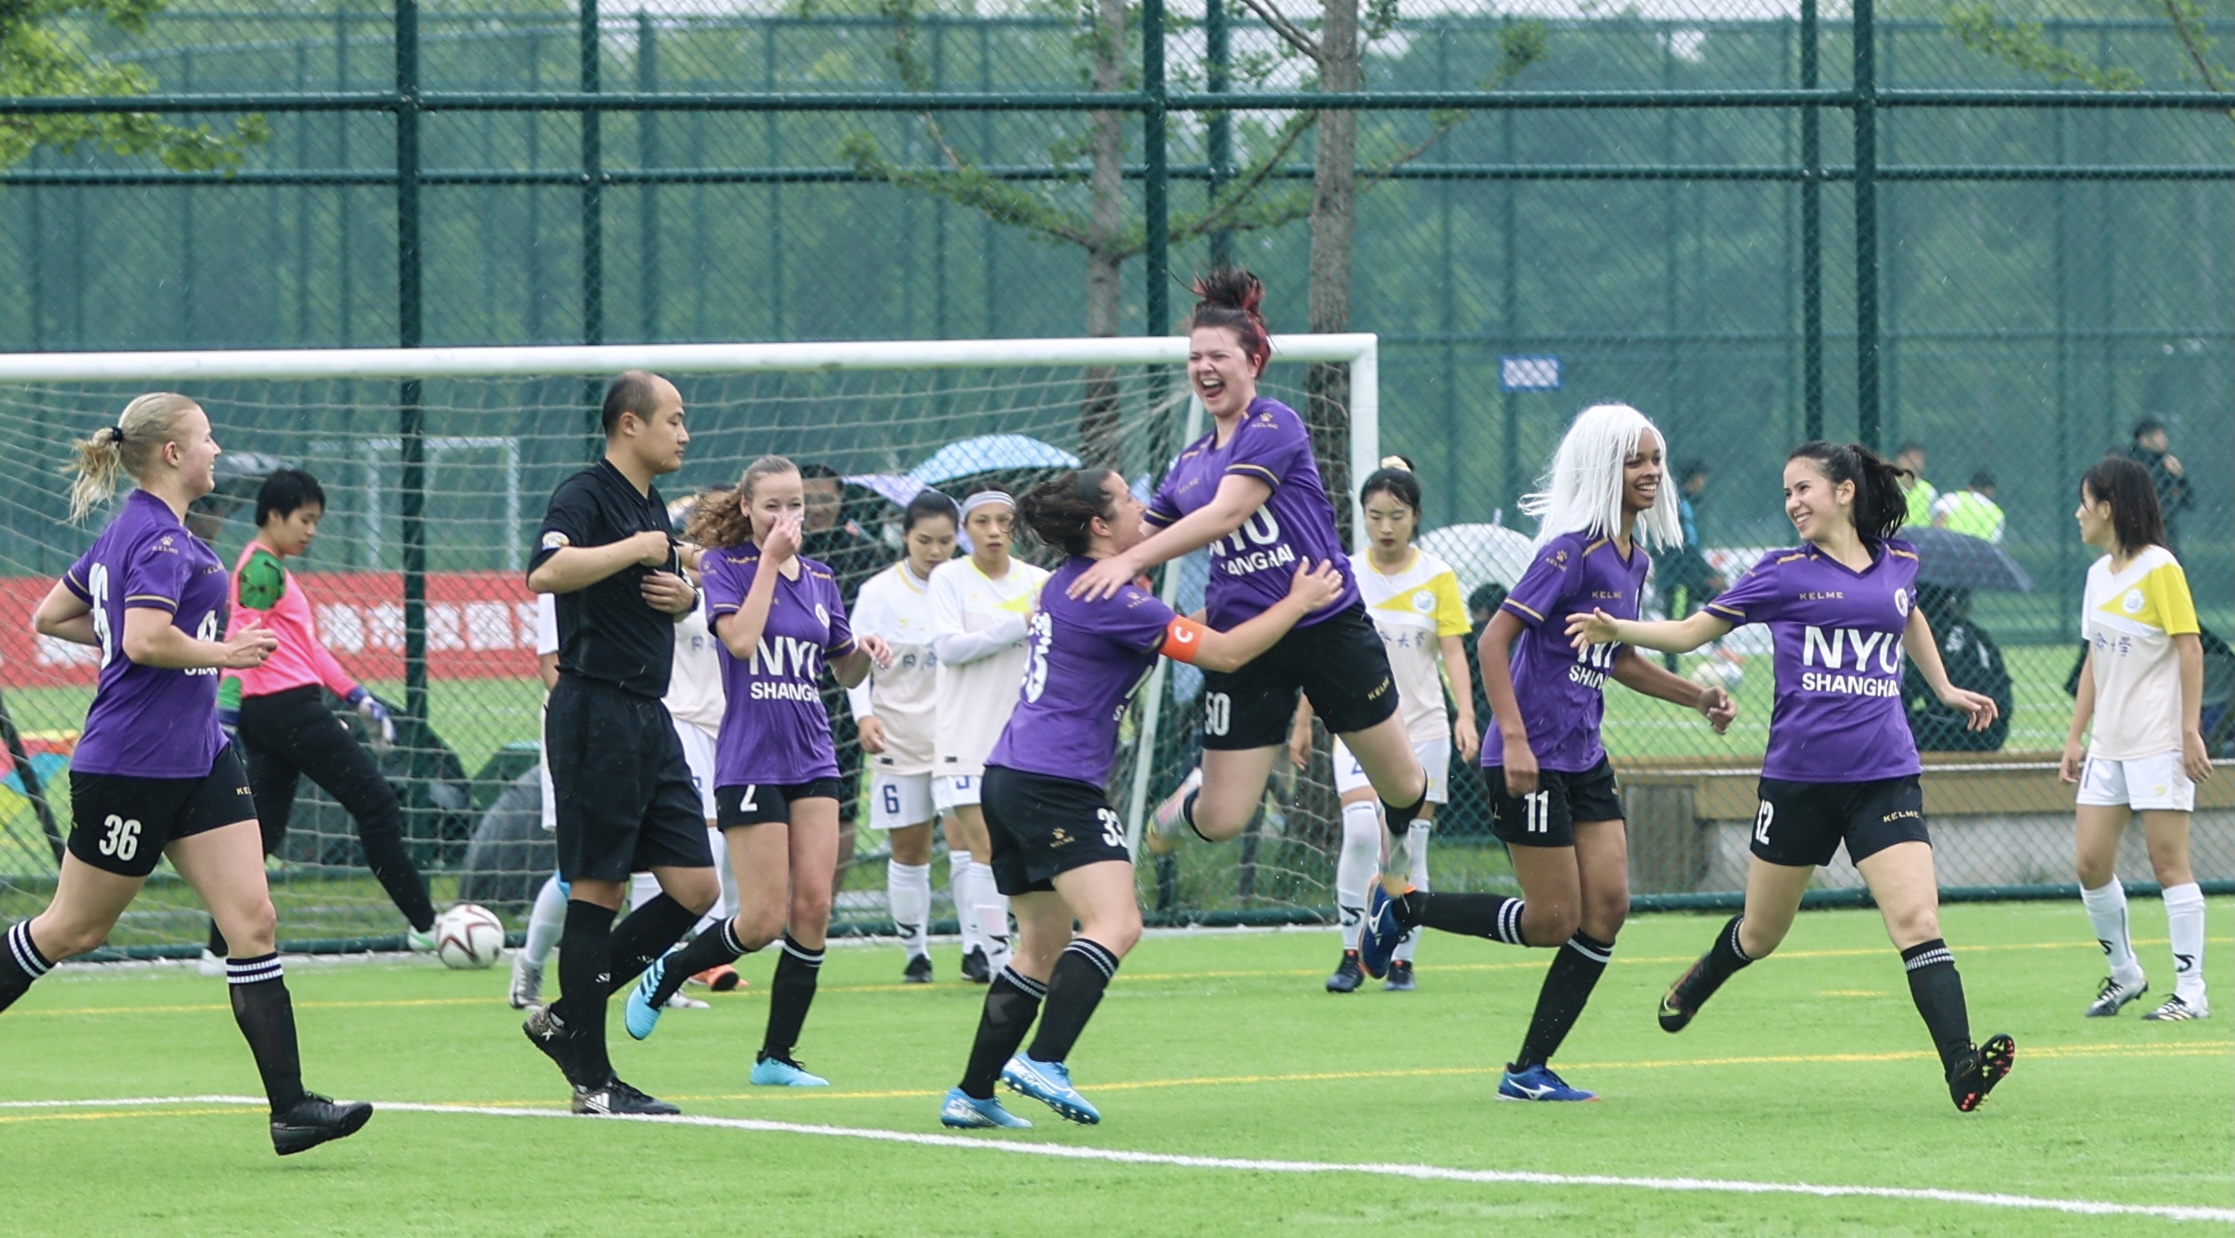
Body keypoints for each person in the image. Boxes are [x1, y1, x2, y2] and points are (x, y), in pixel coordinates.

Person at [1562, 440, 2017, 1112]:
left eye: (1802, 488)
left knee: (1917, 919)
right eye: (1785, 493)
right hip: (1798, 784)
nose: (1792, 503)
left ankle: (1960, 1069)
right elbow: (1691, 632)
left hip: (1883, 778)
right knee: (1760, 933)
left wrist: (1944, 687)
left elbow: (1906, 611)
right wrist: (1615, 626)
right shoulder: (1782, 574)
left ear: (1843, 492)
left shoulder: (1899, 564)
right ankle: (1700, 978)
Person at [4, 393, 371, 1154]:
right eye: (206, 438)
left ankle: (292, 1109)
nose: (216, 448)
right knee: (74, 929)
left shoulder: (140, 533)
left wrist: (164, 647)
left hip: (200, 757)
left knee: (253, 920)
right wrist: (221, 654)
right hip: (130, 768)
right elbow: (140, 639)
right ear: (172, 453)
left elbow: (58, 618)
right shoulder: (158, 540)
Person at [940, 469, 1344, 1130]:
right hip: (1055, 784)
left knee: (1039, 944)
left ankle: (972, 1091)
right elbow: (1222, 654)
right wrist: (1297, 602)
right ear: (1100, 525)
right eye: (1127, 499)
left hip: (1009, 778)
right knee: (1117, 923)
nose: (1140, 507)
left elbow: (1174, 629)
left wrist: (1249, 599)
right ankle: (1044, 1060)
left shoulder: (1075, 583)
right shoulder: (1114, 598)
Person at [1359, 405, 1736, 1102]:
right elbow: (1493, 641)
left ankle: (1526, 1070)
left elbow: (1616, 657)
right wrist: (1517, 737)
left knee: (1609, 909)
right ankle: (1406, 909)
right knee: (1550, 922)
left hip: (1582, 757)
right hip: (1526, 758)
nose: (1650, 472)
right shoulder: (1568, 550)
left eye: (1655, 458)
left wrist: (1696, 696)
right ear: (1602, 469)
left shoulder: (1634, 558)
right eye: (1635, 461)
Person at [1069, 268, 1429, 898]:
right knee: (1223, 819)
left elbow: (1228, 513)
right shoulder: (1187, 464)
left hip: (1325, 624)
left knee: (1402, 785)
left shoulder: (1275, 423)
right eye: (1194, 357)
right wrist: (1083, 567)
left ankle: (1397, 853)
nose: (1203, 368)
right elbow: (1136, 538)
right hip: (1247, 641)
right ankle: (1184, 804)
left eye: (1218, 356)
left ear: (1254, 360)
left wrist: (1130, 564)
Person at [623, 456, 892, 1088]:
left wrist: (867, 655)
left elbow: (842, 669)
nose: (787, 517)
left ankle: (776, 1056)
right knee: (763, 919)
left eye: (795, 505)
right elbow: (740, 642)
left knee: (815, 905)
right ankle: (667, 971)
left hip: (813, 753)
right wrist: (770, 560)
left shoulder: (823, 576)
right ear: (746, 508)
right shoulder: (727, 566)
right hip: (751, 756)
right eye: (772, 505)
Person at [520, 371, 720, 1118]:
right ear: (629, 425)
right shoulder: (586, 493)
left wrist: (685, 593)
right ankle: (593, 1082)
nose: (684, 433)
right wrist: (637, 546)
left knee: (697, 890)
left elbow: (663, 584)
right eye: (674, 419)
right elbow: (546, 571)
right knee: (598, 890)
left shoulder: (649, 507)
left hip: (647, 716)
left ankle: (568, 1019)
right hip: (593, 710)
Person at [509, 503, 740, 1010]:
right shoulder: (567, 575)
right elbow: (554, 667)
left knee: (673, 868)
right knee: (584, 875)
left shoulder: (702, 577)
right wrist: (590, 724)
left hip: (650, 732)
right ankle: (530, 967)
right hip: (585, 733)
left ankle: (652, 979)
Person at [203, 468, 435, 971]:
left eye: (316, 521)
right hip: (288, 711)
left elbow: (308, 652)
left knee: (262, 832)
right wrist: (224, 718)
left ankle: (216, 950)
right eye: (304, 520)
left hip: (276, 712)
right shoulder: (260, 569)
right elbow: (239, 641)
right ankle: (428, 928)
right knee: (376, 805)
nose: (311, 531)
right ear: (274, 515)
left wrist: (359, 698)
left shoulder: (271, 568)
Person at [1289, 456, 1477, 994]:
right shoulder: (1343, 572)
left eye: (1396, 515)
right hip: (1358, 727)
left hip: (1423, 730)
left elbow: (1453, 654)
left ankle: (1400, 958)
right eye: (1375, 516)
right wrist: (1303, 722)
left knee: (1408, 847)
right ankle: (1351, 952)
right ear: (1362, 517)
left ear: (1415, 516)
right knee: (1361, 833)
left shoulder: (1436, 576)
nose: (1386, 527)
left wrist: (1465, 714)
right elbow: (1319, 655)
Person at [2060, 455, 2214, 1021]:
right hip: (2109, 744)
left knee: (2168, 862)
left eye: (2085, 502)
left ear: (2109, 508)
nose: (2078, 513)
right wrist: (2076, 737)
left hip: (2158, 742)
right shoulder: (2097, 575)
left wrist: (2189, 730)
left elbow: (2190, 648)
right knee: (2089, 863)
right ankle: (2125, 973)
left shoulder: (2161, 568)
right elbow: (2095, 664)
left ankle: (2191, 992)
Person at [930, 485, 1051, 982]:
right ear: (965, 529)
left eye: (1004, 521)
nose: (995, 531)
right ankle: (997, 959)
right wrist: (1020, 623)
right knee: (986, 850)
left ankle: (1032, 955)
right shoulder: (949, 579)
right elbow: (950, 648)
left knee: (1026, 852)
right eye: (982, 521)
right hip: (964, 738)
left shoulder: (1041, 580)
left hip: (1024, 742)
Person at [847, 490, 962, 982]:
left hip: (960, 738)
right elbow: (853, 662)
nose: (935, 551)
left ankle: (980, 949)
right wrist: (864, 717)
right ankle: (916, 954)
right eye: (924, 540)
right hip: (899, 737)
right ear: (905, 536)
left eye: (945, 541)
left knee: (970, 845)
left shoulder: (966, 586)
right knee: (909, 849)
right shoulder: (878, 591)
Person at [799, 461, 883, 891]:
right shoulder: (772, 554)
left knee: (842, 807)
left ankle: (823, 907)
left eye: (825, 499)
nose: (816, 509)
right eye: (806, 500)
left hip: (841, 697)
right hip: (782, 691)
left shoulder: (866, 556)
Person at [1653, 457, 1725, 672]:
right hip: (1678, 574)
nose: (1703, 482)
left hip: (1681, 571)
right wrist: (1708, 571)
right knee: (1675, 622)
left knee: (1714, 601)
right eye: (1701, 477)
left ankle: (1717, 650)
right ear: (1693, 479)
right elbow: (1687, 545)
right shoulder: (1679, 504)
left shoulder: (1681, 502)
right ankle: (1671, 672)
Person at [2124, 419, 2194, 553]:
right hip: (2137, 530)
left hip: (2165, 532)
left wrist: (2180, 476)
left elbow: (2190, 501)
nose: (2164, 439)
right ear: (2144, 439)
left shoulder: (2167, 463)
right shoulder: (2130, 463)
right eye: (2159, 435)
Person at [1931, 469, 2006, 543]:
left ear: (1970, 485)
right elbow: (1993, 542)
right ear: (1990, 490)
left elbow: (1937, 526)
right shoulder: (1998, 515)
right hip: (1978, 554)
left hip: (1947, 549)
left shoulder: (1953, 498)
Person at [1893, 441, 1936, 530]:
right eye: (1914, 457)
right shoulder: (1886, 485)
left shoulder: (1928, 490)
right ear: (1900, 459)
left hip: (1919, 539)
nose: (1917, 462)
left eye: (1920, 458)